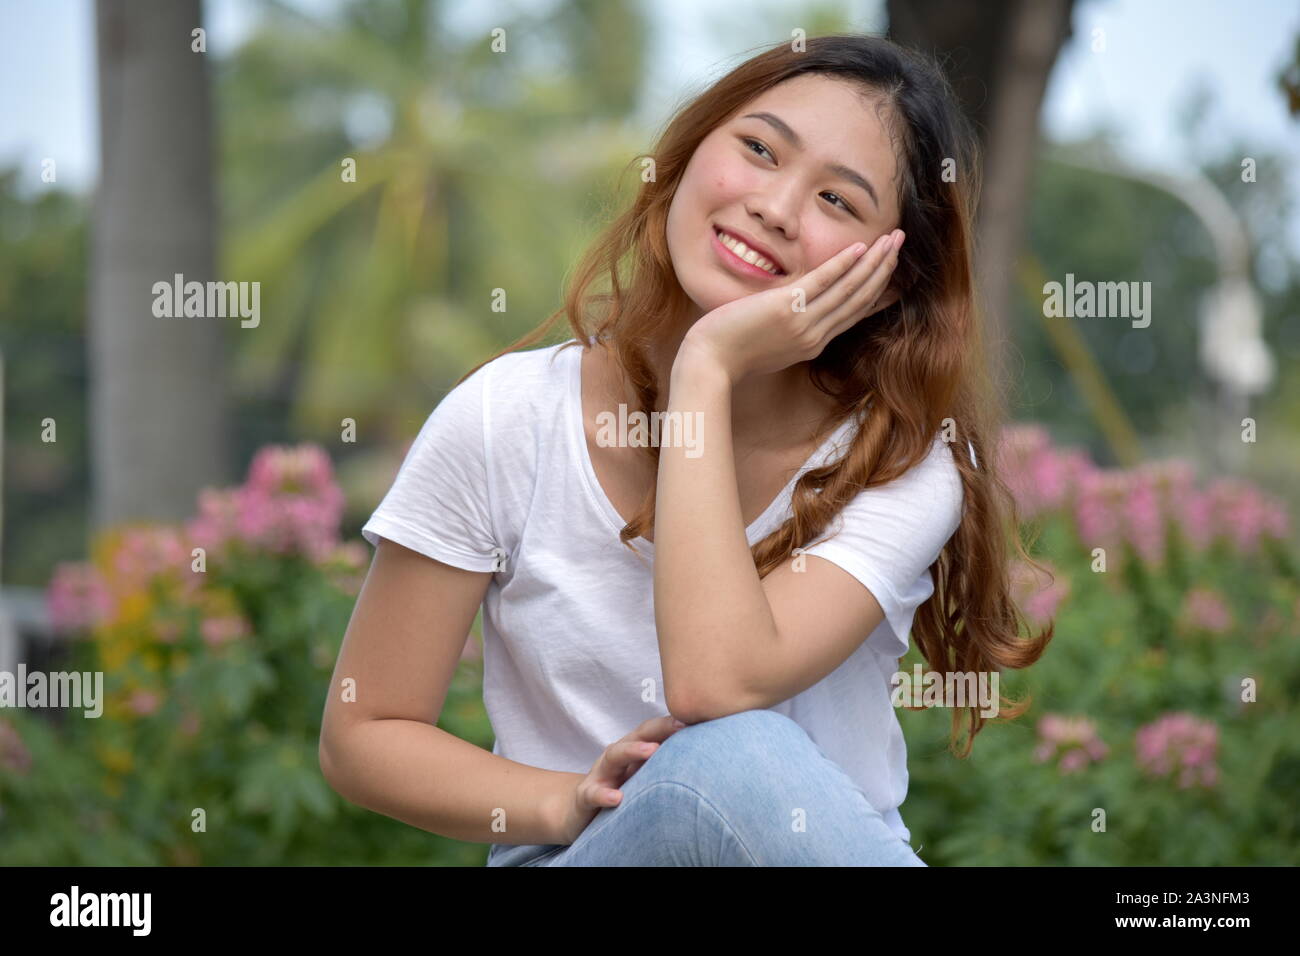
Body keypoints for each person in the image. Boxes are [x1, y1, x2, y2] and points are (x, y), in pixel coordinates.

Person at [319, 32, 1052, 867]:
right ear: (689, 148)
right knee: (730, 761)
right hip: (594, 855)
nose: (776, 207)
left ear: (886, 281)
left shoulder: (896, 465)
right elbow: (364, 731)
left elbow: (716, 679)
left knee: (737, 756)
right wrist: (561, 800)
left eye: (837, 202)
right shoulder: (507, 419)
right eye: (759, 149)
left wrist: (705, 367)